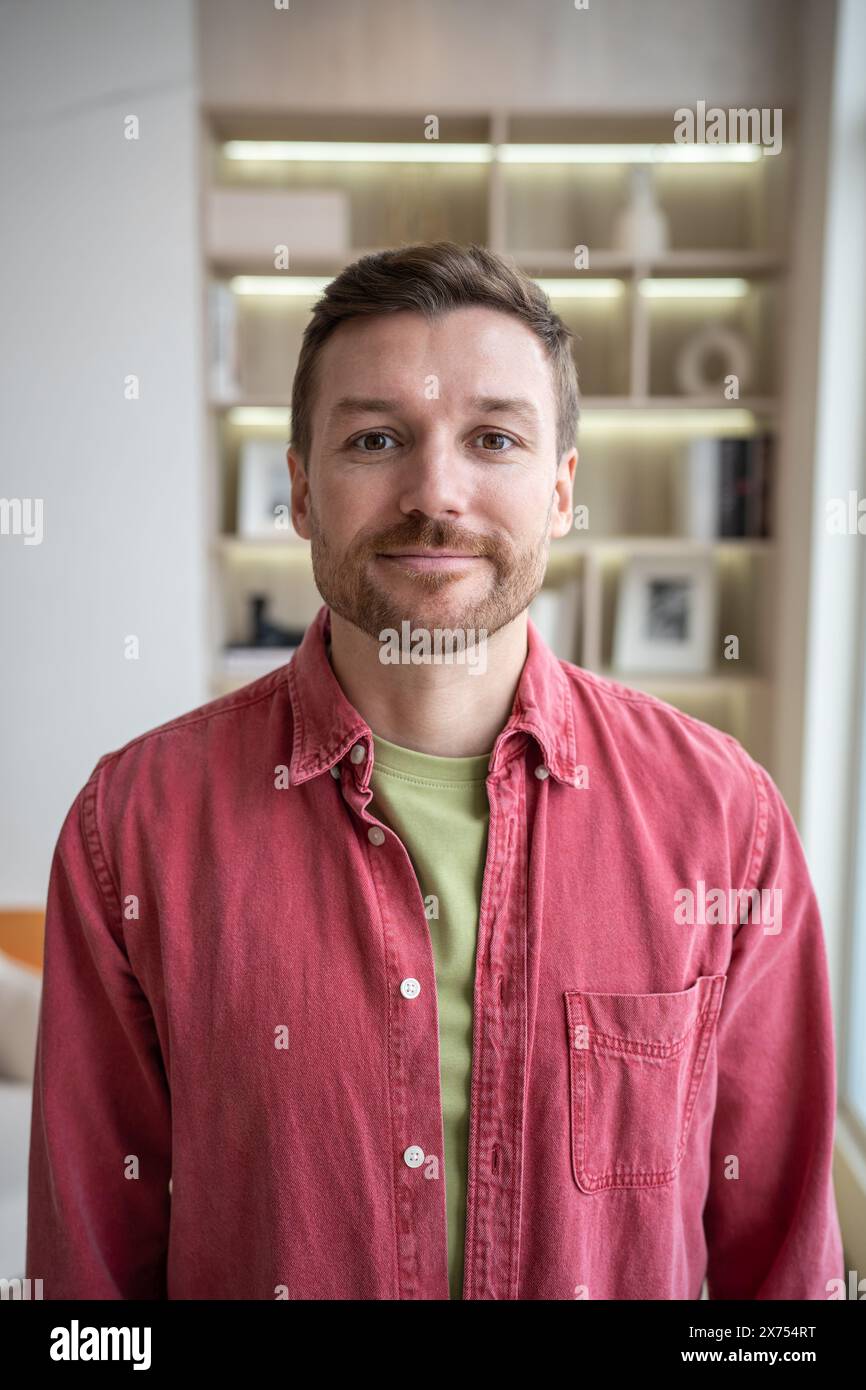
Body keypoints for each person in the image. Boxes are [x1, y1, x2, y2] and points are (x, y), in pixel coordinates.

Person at [27, 242, 844, 1299]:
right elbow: (88, 1285)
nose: (434, 493)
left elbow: (778, 1274)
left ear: (558, 493)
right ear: (302, 491)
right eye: (375, 439)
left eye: (491, 438)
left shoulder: (724, 822)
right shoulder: (129, 831)